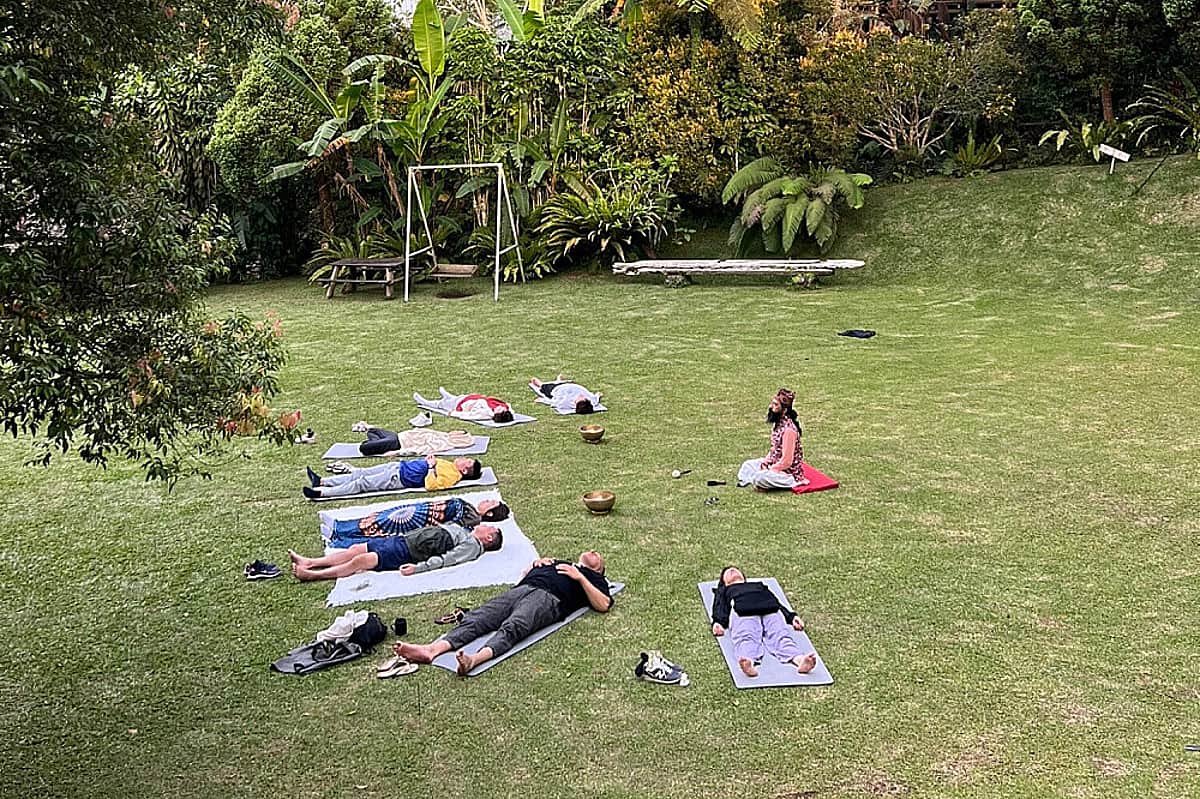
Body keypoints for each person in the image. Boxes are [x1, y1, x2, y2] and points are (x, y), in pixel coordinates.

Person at [395, 550, 612, 675]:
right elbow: (523, 574)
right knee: (478, 617)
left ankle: (474, 660)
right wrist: (534, 565)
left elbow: (603, 604)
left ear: (599, 569)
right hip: (521, 589)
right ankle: (432, 650)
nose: (593, 551)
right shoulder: (558, 561)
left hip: (548, 598)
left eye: (598, 555)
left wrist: (580, 577)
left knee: (514, 625)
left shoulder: (594, 578)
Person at [288, 522, 503, 581]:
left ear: (488, 538)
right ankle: (310, 562)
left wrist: (418, 568)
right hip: (403, 540)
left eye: (489, 527)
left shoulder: (472, 546)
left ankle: (313, 575)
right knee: (355, 549)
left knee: (360, 561)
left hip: (409, 552)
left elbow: (447, 559)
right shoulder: (465, 531)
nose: (484, 525)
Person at [710, 566, 816, 677]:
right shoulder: (726, 591)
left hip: (770, 608)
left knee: (780, 634)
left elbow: (776, 602)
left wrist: (791, 617)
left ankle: (800, 660)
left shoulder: (759, 586)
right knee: (746, 635)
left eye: (735, 569)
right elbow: (719, 606)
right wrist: (718, 622)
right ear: (725, 583)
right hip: (743, 610)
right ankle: (748, 662)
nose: (732, 570)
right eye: (728, 572)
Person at [326, 497, 509, 547]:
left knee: (384, 528)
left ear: (490, 513)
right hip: (421, 511)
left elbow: (452, 526)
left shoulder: (472, 519)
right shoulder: (471, 512)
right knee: (381, 517)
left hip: (421, 519)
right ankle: (340, 526)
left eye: (490, 503)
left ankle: (341, 537)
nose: (486, 500)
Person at [302, 455, 482, 499]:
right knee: (360, 473)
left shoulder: (452, 476)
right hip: (398, 466)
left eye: (466, 461)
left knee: (361, 483)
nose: (463, 458)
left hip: (400, 478)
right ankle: (322, 481)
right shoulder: (450, 465)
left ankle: (322, 493)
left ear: (465, 471)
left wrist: (430, 466)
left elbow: (431, 485)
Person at [736, 387, 808, 491]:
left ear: (784, 410)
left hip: (787, 473)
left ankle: (759, 481)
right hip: (774, 464)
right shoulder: (779, 424)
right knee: (747, 465)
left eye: (775, 405)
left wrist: (770, 469)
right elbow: (774, 450)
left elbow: (787, 461)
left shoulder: (789, 430)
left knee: (760, 477)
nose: (771, 407)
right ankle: (757, 480)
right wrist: (766, 462)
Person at [353, 424, 474, 457]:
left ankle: (374, 444)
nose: (455, 430)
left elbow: (420, 449)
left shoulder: (443, 443)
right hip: (397, 435)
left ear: (459, 437)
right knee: (372, 431)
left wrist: (397, 453)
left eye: (459, 431)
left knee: (363, 448)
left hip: (397, 443)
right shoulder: (443, 435)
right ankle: (376, 443)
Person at [414, 387, 514, 424]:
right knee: (455, 398)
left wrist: (454, 413)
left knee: (441, 404)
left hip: (461, 405)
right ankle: (448, 396)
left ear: (497, 415)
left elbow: (469, 416)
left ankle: (425, 402)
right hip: (469, 399)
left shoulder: (485, 414)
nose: (501, 407)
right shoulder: (505, 407)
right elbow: (509, 408)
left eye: (501, 410)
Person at [529, 374, 602, 415]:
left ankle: (539, 383)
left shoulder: (565, 402)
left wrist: (542, 400)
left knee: (544, 387)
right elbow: (596, 398)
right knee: (562, 383)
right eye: (585, 398)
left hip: (557, 389)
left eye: (581, 398)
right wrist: (598, 395)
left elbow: (553, 402)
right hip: (570, 385)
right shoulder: (591, 401)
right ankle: (559, 381)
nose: (582, 396)